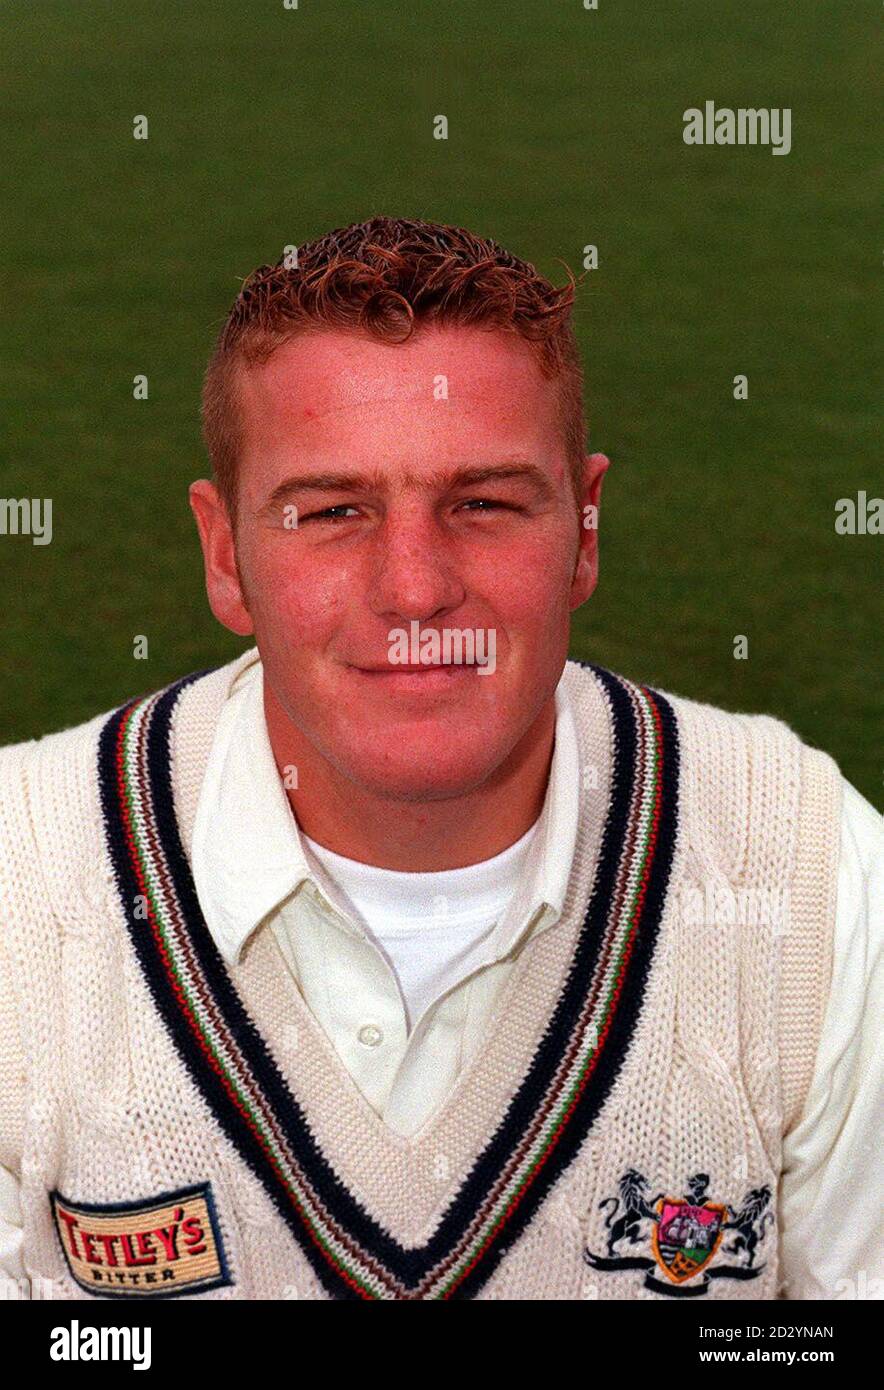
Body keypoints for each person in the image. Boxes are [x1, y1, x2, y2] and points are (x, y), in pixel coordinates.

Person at [0, 217, 880, 1301]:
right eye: (331, 510)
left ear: (585, 532)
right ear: (224, 554)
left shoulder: (807, 867)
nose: (414, 589)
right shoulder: (21, 879)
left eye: (482, 504)